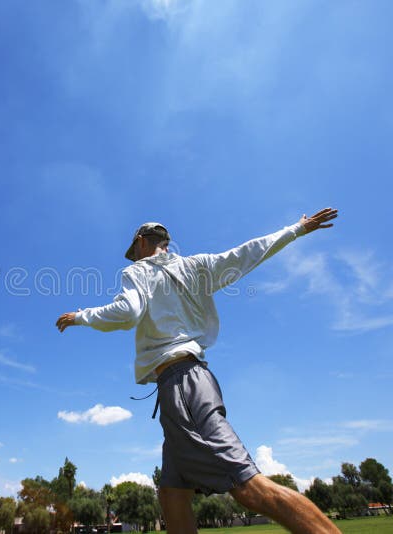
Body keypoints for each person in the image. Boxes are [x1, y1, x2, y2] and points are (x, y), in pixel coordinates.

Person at [56, 208, 341, 534]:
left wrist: (81, 316)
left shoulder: (137, 271)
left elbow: (128, 312)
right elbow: (247, 253)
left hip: (181, 386)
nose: (133, 257)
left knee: (247, 484)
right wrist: (296, 229)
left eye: (133, 251)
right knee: (172, 494)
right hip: (191, 379)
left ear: (139, 243)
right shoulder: (197, 266)